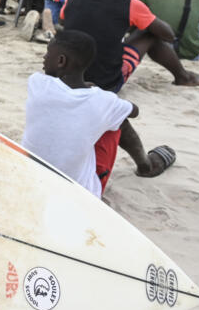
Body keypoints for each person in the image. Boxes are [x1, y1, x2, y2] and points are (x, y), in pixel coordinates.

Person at [22, 30, 175, 198]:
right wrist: (97, 92)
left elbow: (66, 92)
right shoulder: (104, 100)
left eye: (47, 53)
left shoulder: (37, 83)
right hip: (81, 196)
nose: (44, 58)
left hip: (31, 181)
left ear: (61, 61)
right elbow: (134, 111)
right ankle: (146, 166)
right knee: (118, 118)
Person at [61, 0, 199, 91]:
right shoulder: (129, 4)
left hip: (67, 79)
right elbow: (168, 35)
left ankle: (184, 77)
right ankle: (184, 77)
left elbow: (64, 20)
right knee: (149, 34)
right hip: (105, 83)